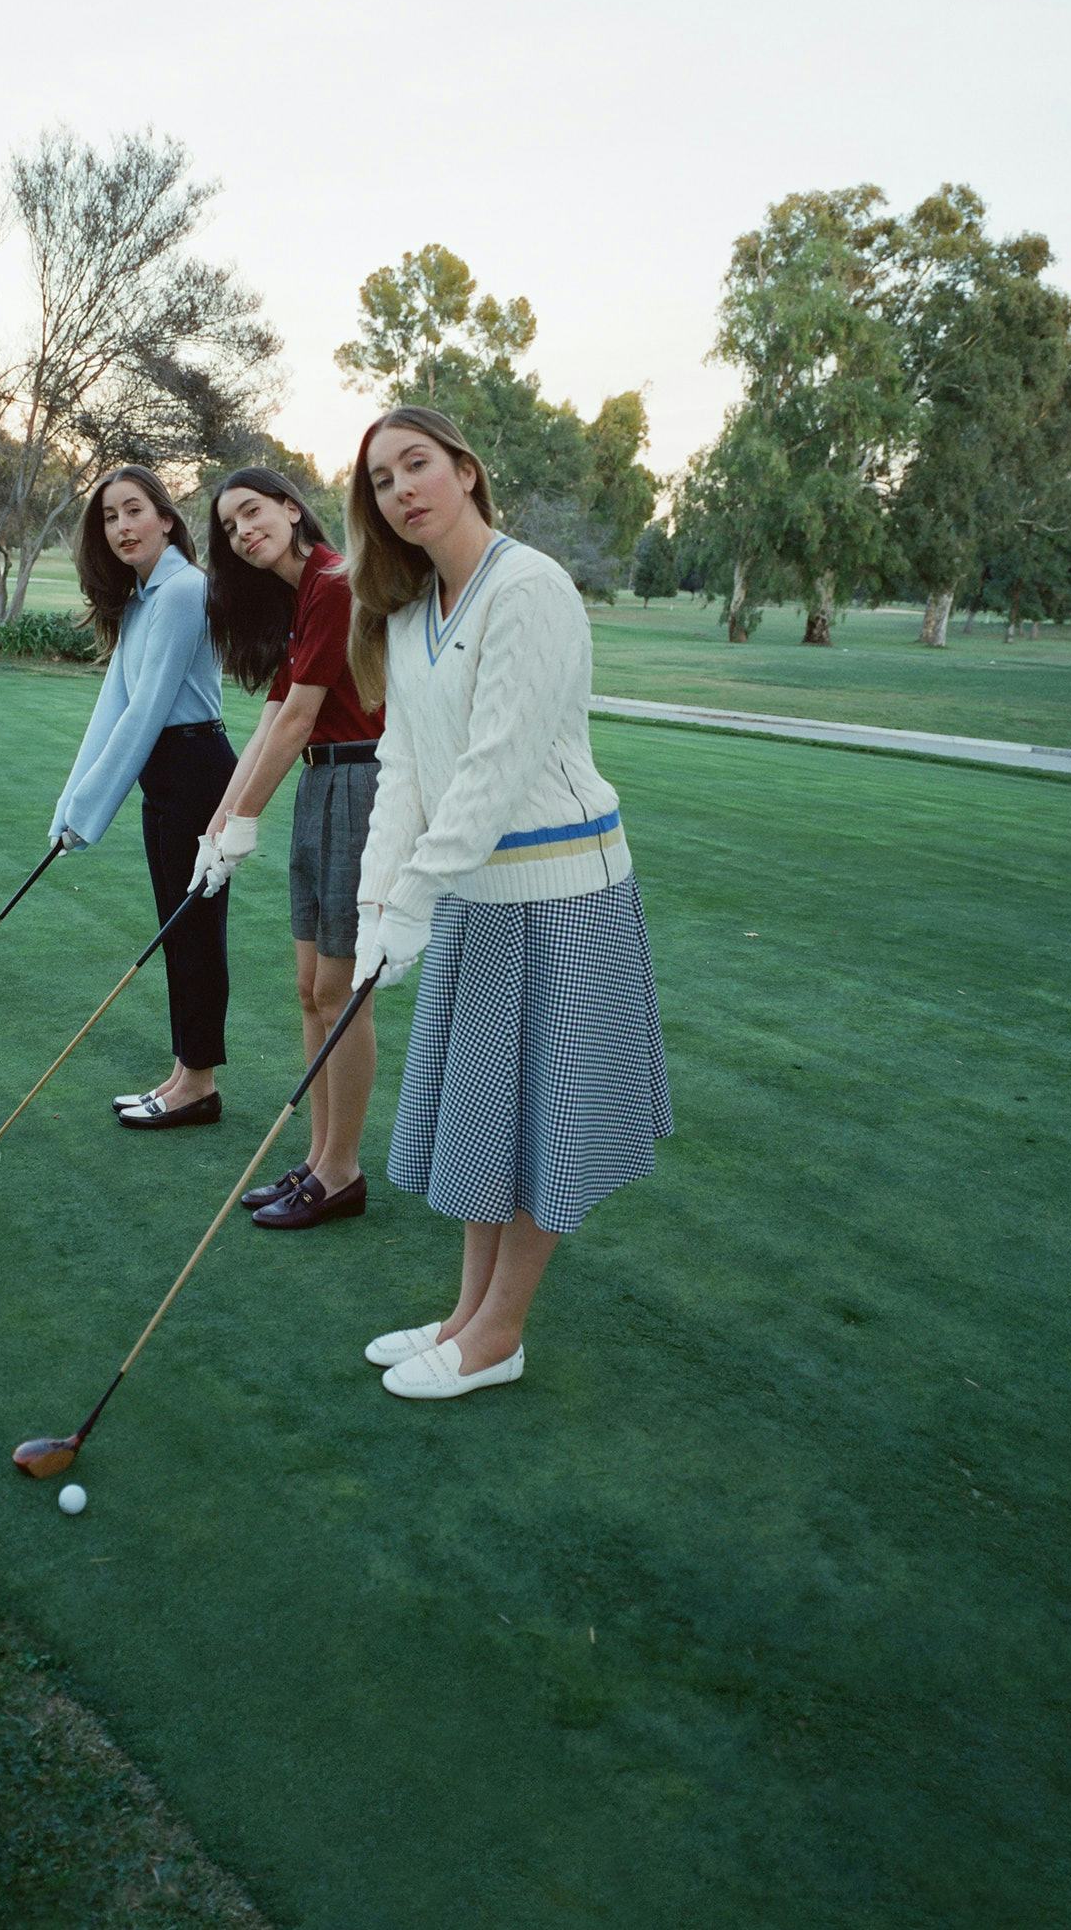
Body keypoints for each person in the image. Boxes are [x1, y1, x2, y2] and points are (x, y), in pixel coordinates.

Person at [346, 406, 672, 1398]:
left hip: (561, 895)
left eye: (417, 465)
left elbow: (493, 771)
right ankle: (465, 1316)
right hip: (473, 897)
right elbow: (401, 769)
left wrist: (413, 900)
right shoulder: (406, 616)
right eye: (382, 480)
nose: (403, 489)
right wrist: (375, 908)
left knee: (544, 1125)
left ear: (465, 470)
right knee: (488, 1119)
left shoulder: (529, 587)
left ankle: (500, 1332)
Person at [196, 467, 384, 1228]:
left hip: (358, 786)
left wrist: (244, 821)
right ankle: (316, 1160)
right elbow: (273, 721)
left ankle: (341, 1171)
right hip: (319, 789)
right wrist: (219, 820)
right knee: (310, 988)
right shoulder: (300, 598)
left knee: (339, 992)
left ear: (288, 506)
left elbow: (304, 718)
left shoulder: (336, 581)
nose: (244, 531)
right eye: (231, 527)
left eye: (252, 512)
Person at [50, 465, 235, 1130]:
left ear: (165, 518)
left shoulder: (184, 590)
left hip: (195, 767)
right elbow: (113, 706)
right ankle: (186, 1074)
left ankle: (199, 1085)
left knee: (192, 933)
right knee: (176, 931)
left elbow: (148, 710)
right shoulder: (141, 599)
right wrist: (70, 810)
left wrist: (89, 814)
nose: (122, 526)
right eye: (108, 517)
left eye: (133, 511)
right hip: (166, 771)